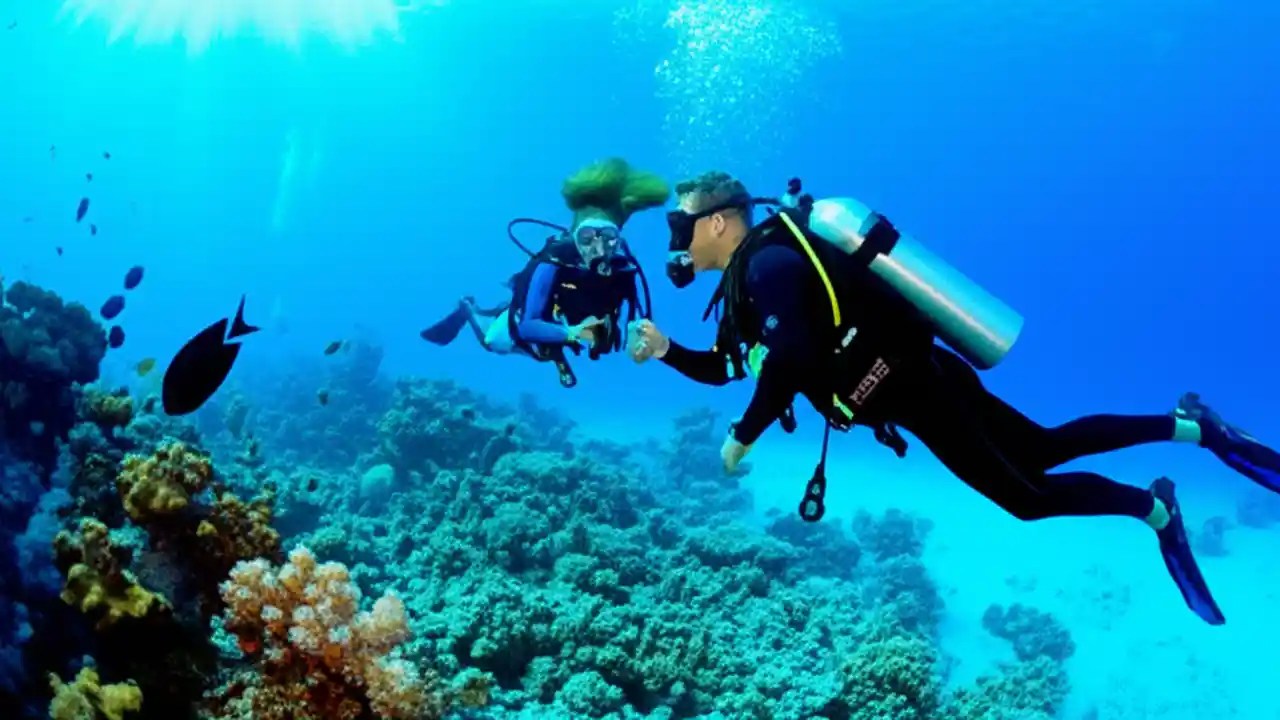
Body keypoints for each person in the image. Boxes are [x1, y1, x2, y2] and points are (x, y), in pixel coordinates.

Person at [628, 170, 1280, 626]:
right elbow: (728, 365)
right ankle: (1191, 426)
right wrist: (665, 350)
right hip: (920, 379)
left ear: (718, 222)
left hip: (915, 387)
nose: (675, 239)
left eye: (680, 224)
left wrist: (742, 436)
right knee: (1043, 448)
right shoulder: (745, 287)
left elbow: (793, 359)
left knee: (1028, 497)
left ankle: (1157, 510)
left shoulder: (768, 265)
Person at [421, 158, 669, 387]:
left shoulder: (623, 270)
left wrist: (639, 341)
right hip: (533, 319)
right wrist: (574, 333)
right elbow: (528, 326)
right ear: (574, 235)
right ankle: (469, 307)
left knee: (544, 348)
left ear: (618, 238)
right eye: (587, 237)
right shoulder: (552, 262)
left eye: (608, 237)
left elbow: (638, 318)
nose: (598, 249)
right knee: (494, 341)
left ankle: (523, 323)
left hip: (566, 322)